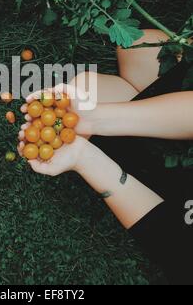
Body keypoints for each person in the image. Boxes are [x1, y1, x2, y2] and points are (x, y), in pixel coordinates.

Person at [18, 29, 193, 285]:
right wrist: (97, 118)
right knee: (137, 44)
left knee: (86, 86)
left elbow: (164, 234)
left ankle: (138, 99)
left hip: (166, 177)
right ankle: (143, 97)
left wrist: (84, 157)